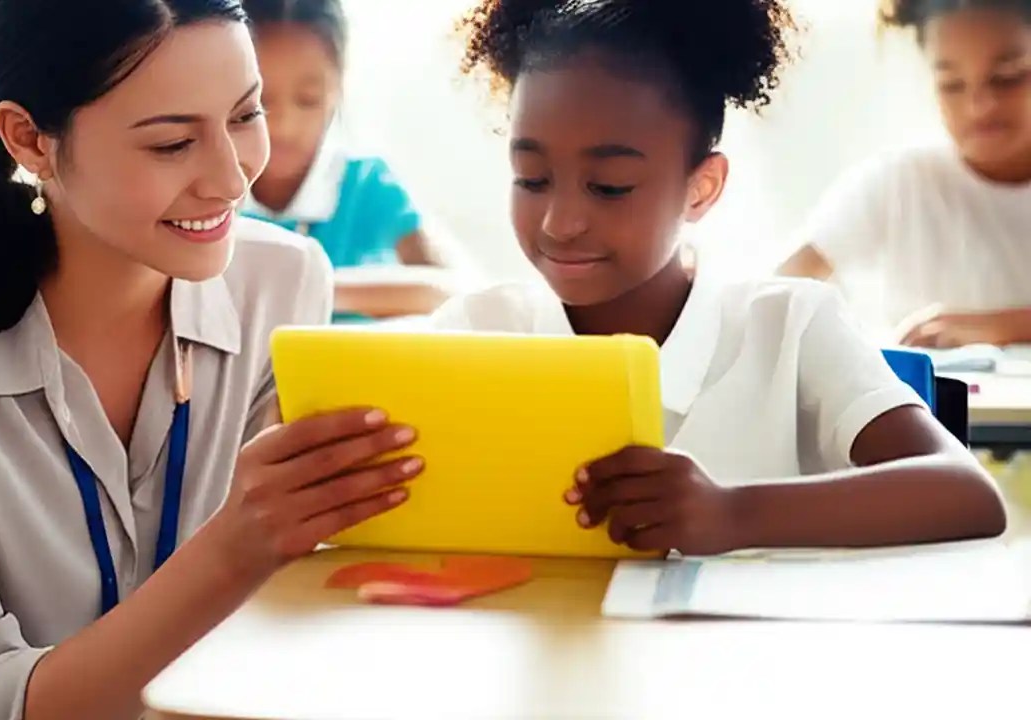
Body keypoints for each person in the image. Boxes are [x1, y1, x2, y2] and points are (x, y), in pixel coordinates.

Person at [0, 2, 424, 719]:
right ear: (30, 139)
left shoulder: (282, 283)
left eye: (244, 115)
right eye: (172, 144)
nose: (232, 180)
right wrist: (234, 548)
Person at [437, 0, 1006, 556]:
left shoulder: (791, 327)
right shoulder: (470, 334)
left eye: (609, 186)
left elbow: (969, 495)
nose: (560, 223)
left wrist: (733, 513)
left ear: (702, 188)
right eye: (532, 178)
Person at [779, 0, 1031, 348]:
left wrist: (1006, 327)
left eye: (1008, 78)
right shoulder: (900, 182)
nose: (979, 105)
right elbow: (780, 286)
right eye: (951, 84)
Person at [239, 0, 462, 319]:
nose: (283, 126)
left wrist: (308, 289)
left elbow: (452, 290)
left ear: (338, 87)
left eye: (308, 100)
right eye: (260, 102)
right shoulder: (206, 191)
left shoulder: (367, 185)